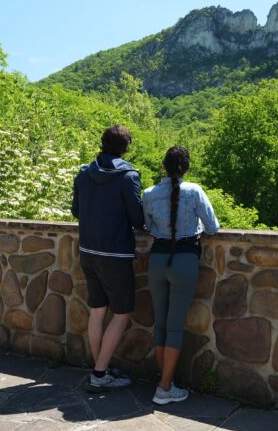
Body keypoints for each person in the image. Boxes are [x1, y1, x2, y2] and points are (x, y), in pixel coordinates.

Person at [143, 145, 219, 405]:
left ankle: (164, 383)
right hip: (185, 260)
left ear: (163, 167)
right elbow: (213, 227)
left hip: (157, 260)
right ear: (186, 169)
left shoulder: (149, 194)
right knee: (175, 328)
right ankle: (164, 388)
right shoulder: (194, 191)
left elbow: (149, 227)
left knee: (161, 325)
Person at [71, 125, 144, 392]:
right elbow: (137, 218)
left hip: (88, 251)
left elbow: (76, 210)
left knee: (97, 312)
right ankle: (100, 374)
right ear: (125, 147)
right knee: (122, 313)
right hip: (116, 254)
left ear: (102, 144)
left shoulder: (84, 173)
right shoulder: (128, 176)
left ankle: (98, 369)